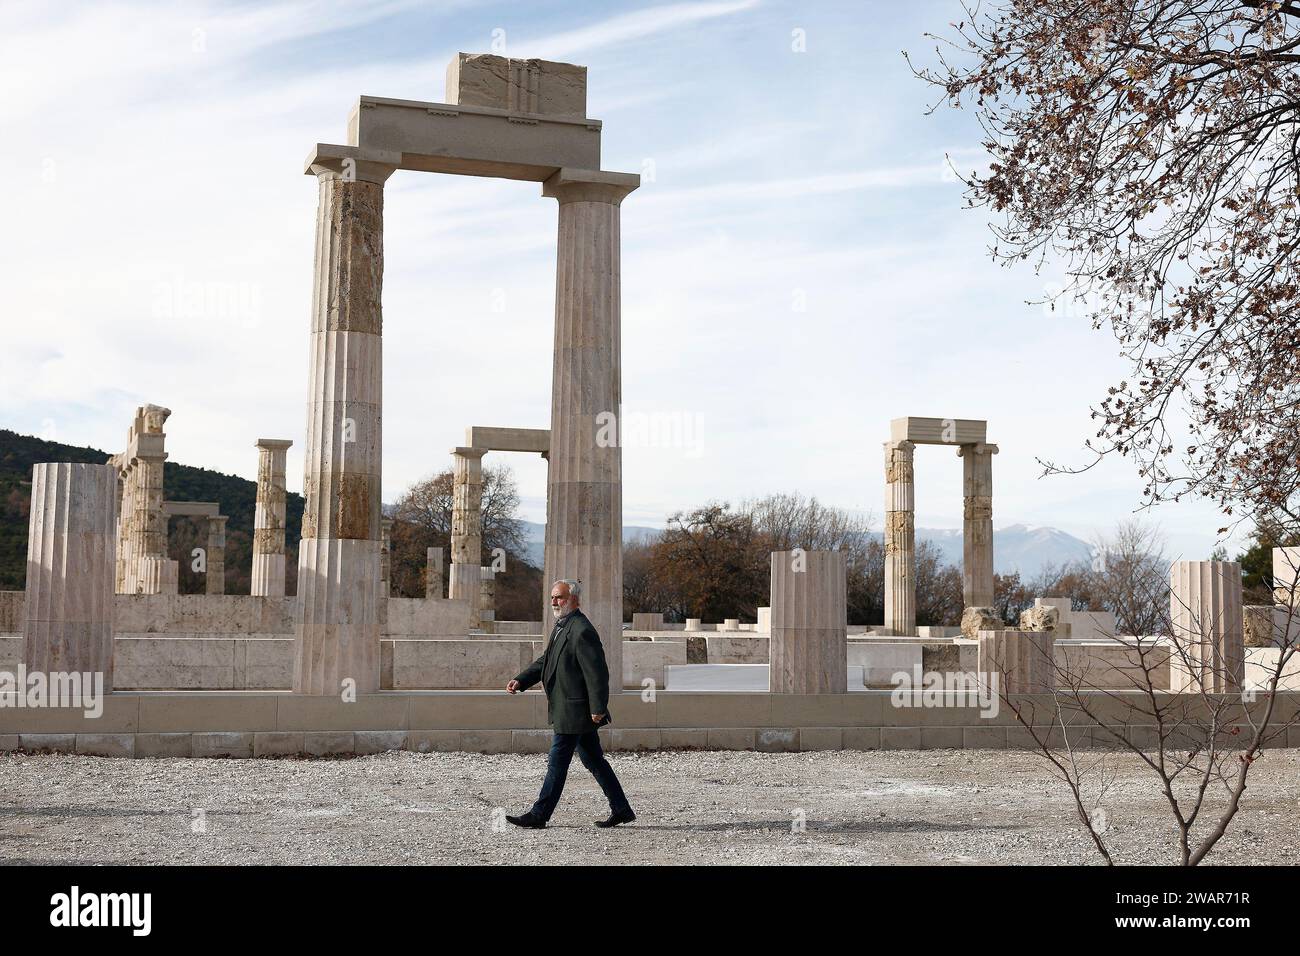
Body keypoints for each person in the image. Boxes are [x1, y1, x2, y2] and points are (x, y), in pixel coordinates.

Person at [504, 579, 636, 829]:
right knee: (594, 760)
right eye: (553, 597)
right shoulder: (562, 626)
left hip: (575, 712)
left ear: (573, 599)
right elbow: (546, 661)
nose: (554, 602)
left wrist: (598, 707)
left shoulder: (582, 629)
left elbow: (597, 673)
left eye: (560, 597)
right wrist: (521, 680)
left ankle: (539, 814)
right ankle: (622, 809)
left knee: (557, 761)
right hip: (570, 710)